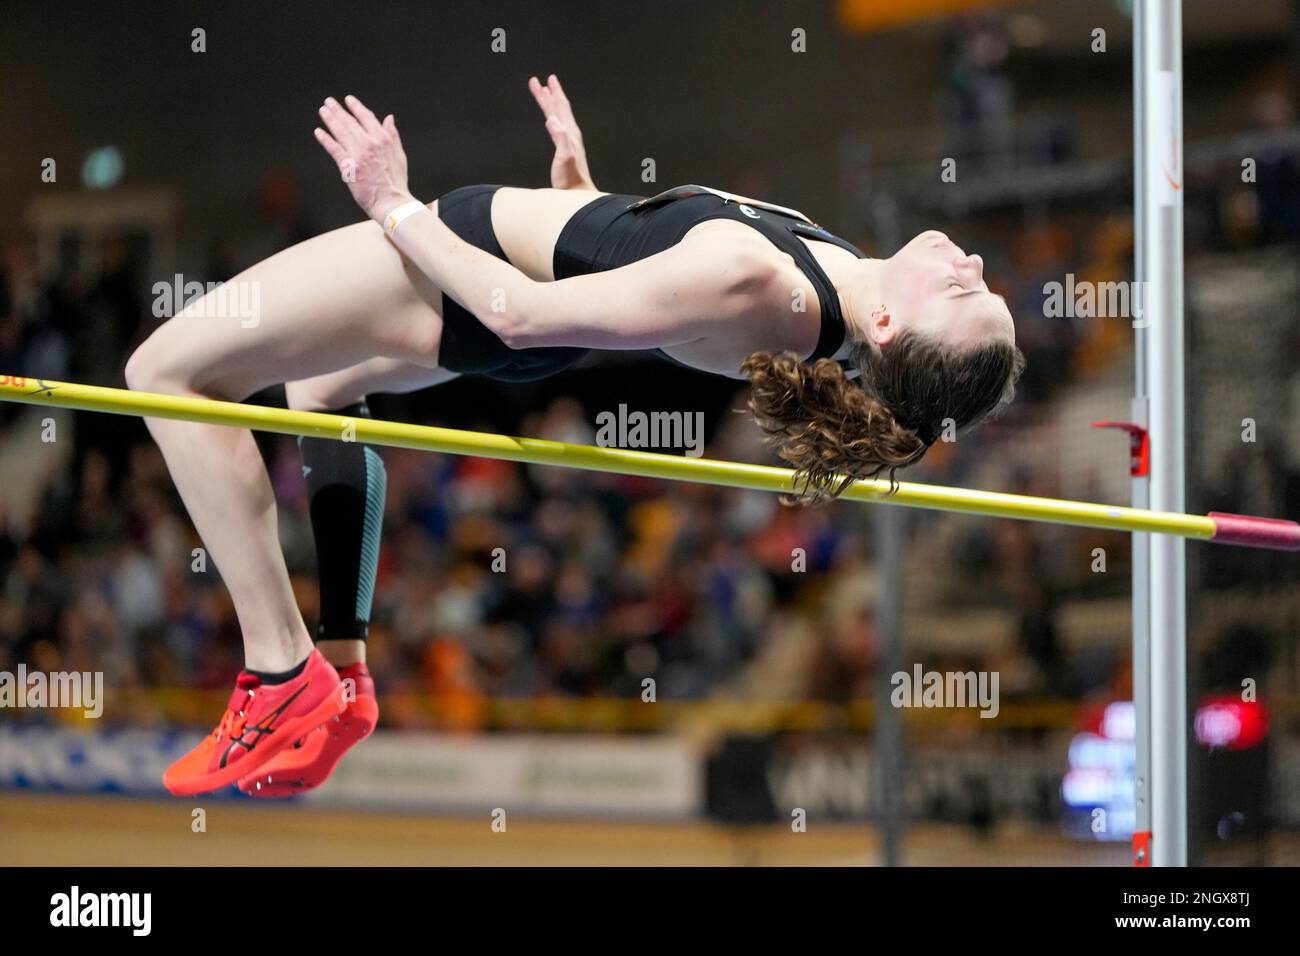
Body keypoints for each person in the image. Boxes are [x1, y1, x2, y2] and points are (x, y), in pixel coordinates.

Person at [125, 75, 1023, 797]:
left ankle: (279, 672)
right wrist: (585, 208)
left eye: (965, 295)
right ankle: (346, 676)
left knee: (164, 374)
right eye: (983, 282)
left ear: (895, 332)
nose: (972, 264)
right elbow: (649, 295)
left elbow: (523, 316)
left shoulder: (770, 285)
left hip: (453, 277)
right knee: (316, 392)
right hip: (486, 292)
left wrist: (392, 202)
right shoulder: (829, 284)